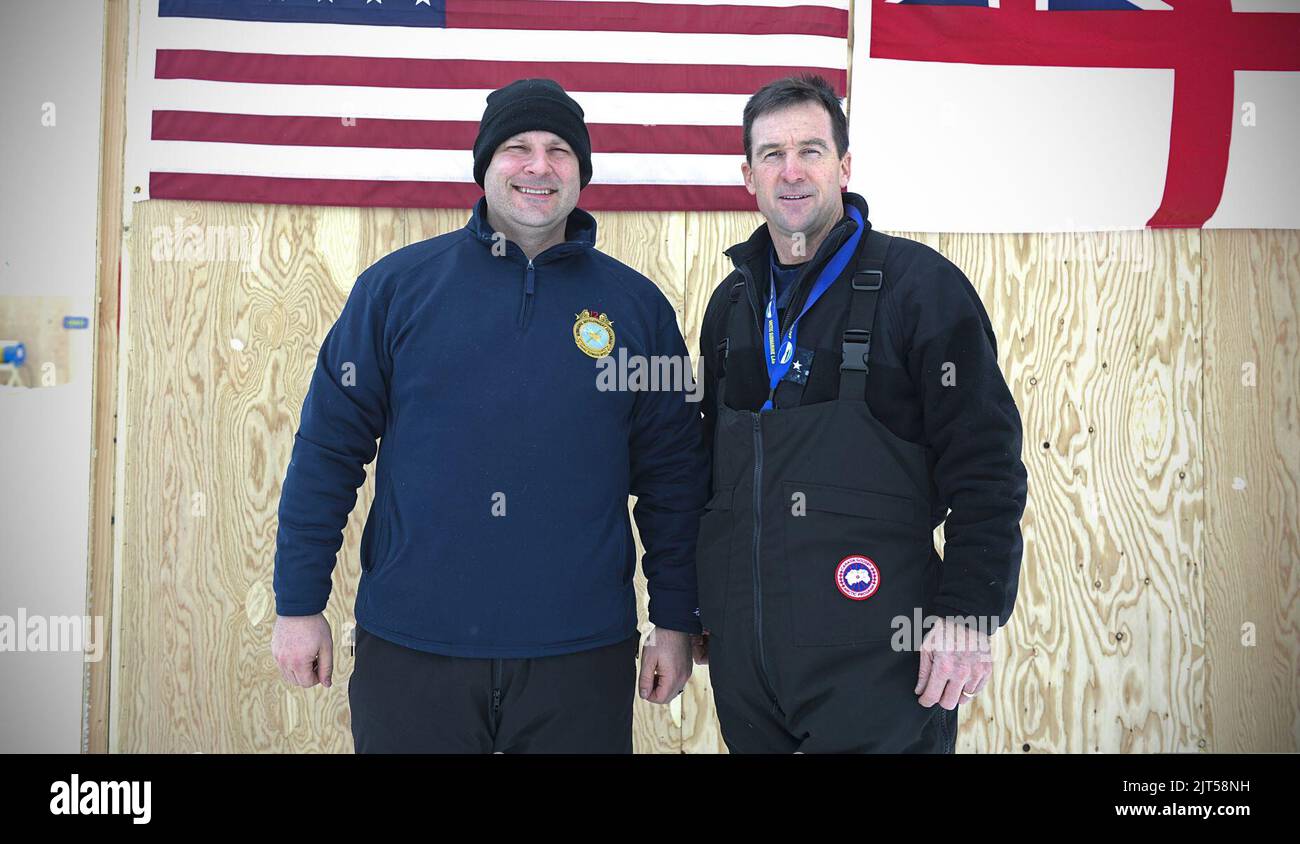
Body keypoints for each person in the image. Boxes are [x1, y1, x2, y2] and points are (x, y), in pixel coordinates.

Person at [271, 78, 706, 753]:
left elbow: (674, 480)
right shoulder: (395, 290)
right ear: (484, 166)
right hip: (413, 647)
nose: (539, 166)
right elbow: (327, 451)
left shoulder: (638, 308)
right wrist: (299, 605)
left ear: (581, 173)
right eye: (518, 147)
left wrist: (675, 620)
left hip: (581, 654)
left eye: (561, 150)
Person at [694, 75, 1028, 753]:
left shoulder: (919, 288)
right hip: (749, 675)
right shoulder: (731, 307)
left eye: (811, 151)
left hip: (879, 667)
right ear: (747, 174)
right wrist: (694, 608)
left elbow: (987, 465)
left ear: (844, 167)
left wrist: (967, 613)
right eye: (771, 154)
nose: (792, 172)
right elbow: (706, 477)